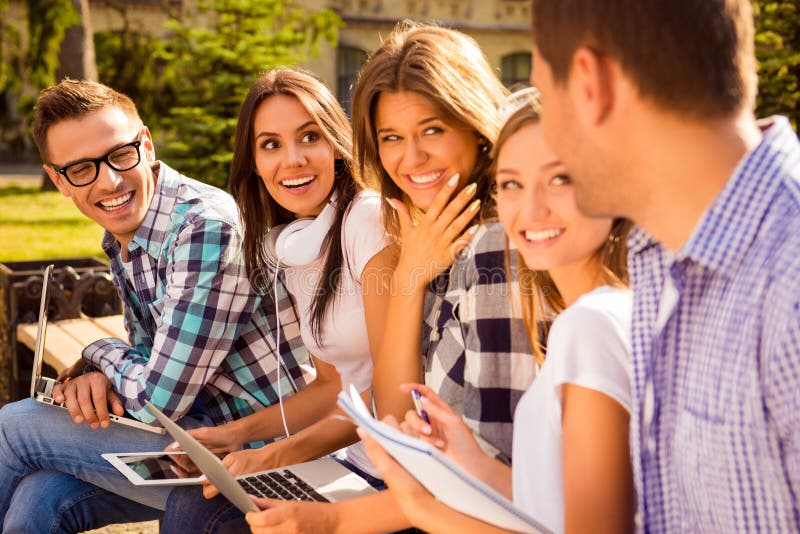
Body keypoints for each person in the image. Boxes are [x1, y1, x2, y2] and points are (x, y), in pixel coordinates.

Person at [244, 22, 536, 533]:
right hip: (420, 495)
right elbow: (398, 421)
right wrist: (409, 281)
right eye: (392, 138)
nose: (412, 158)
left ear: (475, 123)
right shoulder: (432, 240)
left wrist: (332, 521)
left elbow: (489, 476)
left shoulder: (496, 247)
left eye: (432, 130)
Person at [529, 0, 800, 530]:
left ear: (589, 84)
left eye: (543, 97)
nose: (549, 138)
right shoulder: (663, 254)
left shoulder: (788, 288)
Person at [0, 79, 313, 533]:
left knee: (14, 426)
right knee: (41, 494)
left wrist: (99, 352)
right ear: (59, 180)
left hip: (270, 453)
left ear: (145, 144)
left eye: (119, 154)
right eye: (81, 169)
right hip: (194, 441)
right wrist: (98, 376)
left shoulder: (205, 229)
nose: (109, 180)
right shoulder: (131, 233)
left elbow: (156, 401)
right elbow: (154, 364)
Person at [358, 89, 635, 534]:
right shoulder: (589, 316)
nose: (532, 209)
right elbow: (549, 504)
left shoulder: (588, 320)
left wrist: (416, 508)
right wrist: (472, 462)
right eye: (511, 184)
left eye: (560, 179)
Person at [160, 67, 395, 532]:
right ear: (253, 163)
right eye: (270, 144)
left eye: (309, 137)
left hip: (392, 475)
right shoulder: (297, 244)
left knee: (204, 516)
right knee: (192, 504)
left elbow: (392, 391)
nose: (293, 159)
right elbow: (329, 387)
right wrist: (231, 436)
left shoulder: (367, 221)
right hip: (353, 461)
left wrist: (273, 455)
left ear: (335, 144)